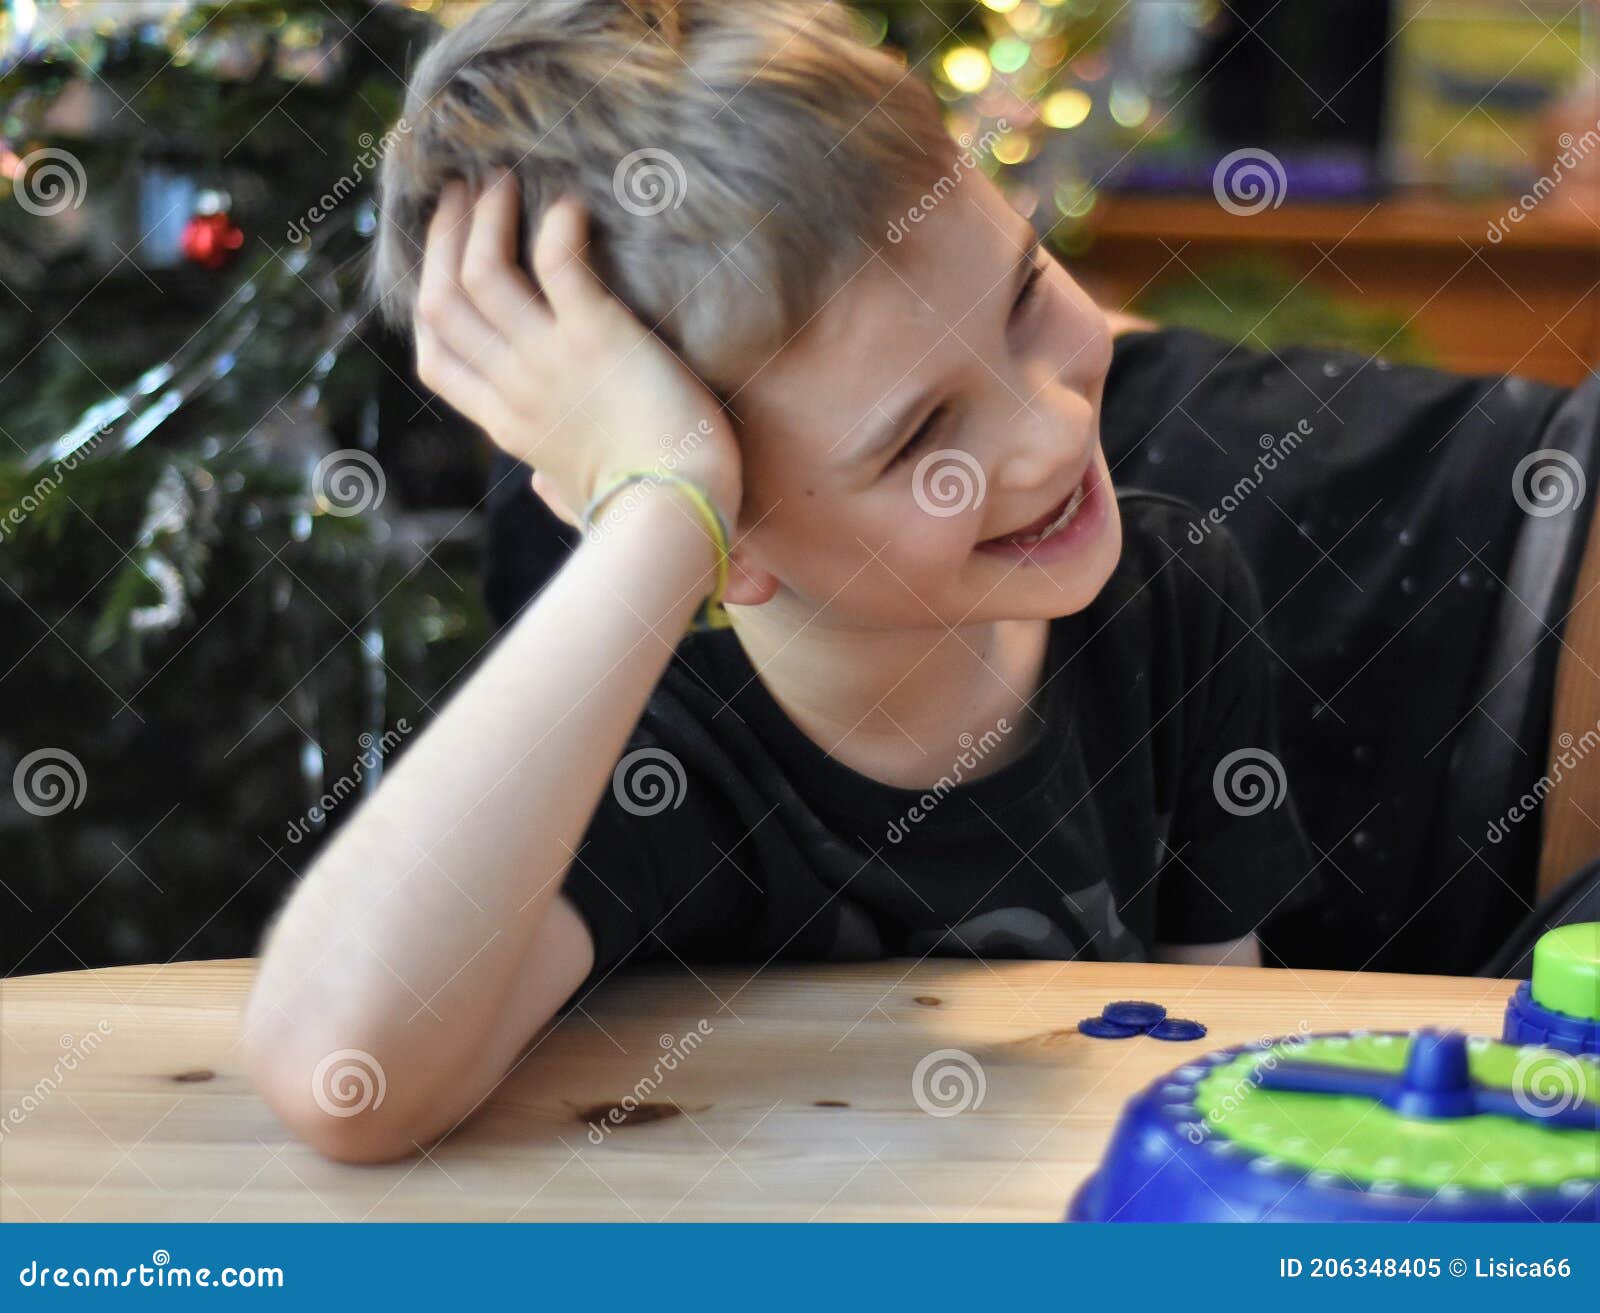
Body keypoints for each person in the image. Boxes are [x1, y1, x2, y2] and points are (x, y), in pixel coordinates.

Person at [242, 0, 1320, 1164]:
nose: (1051, 434)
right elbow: (345, 1079)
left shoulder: (1171, 604)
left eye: (1020, 296)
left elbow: (1218, 1083)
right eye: (918, 440)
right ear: (726, 533)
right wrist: (661, 504)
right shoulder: (660, 776)